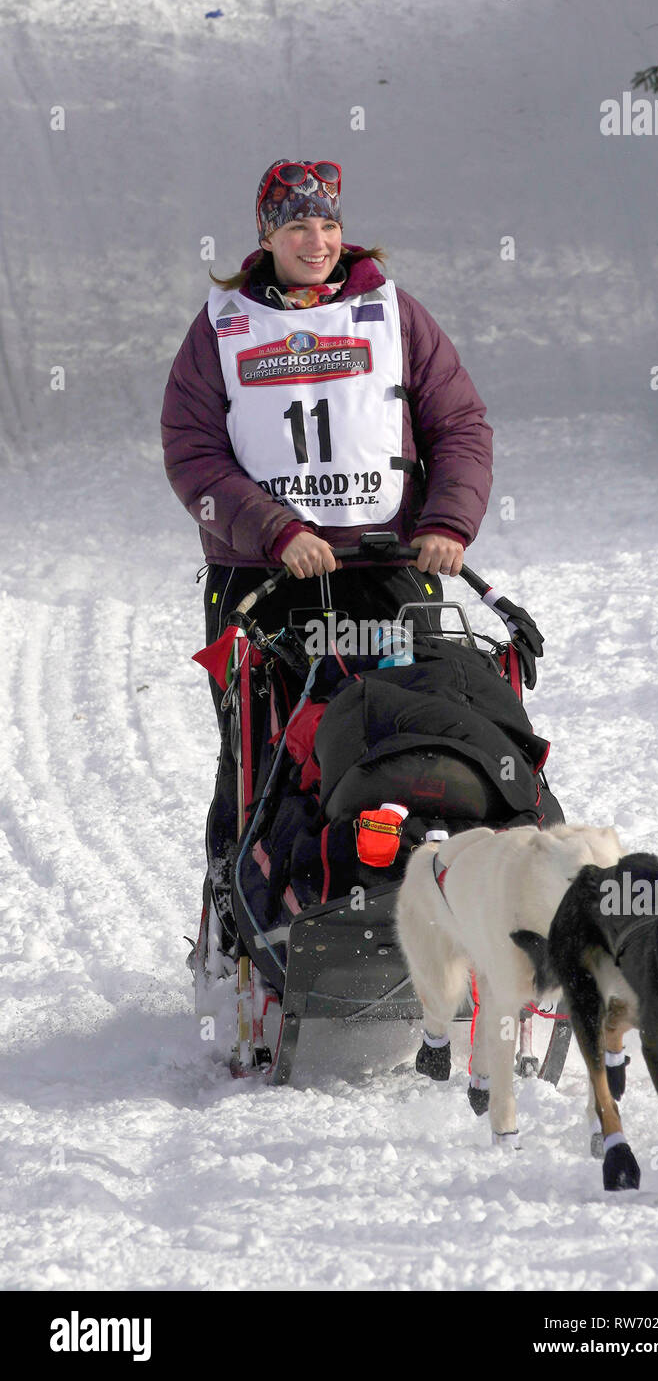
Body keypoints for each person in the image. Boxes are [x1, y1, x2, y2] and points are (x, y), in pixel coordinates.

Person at [161, 158, 494, 952]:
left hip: (385, 569)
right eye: (298, 225)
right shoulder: (222, 327)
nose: (318, 241)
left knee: (406, 729)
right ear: (265, 234)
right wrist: (276, 530)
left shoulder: (392, 313)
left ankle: (402, 896)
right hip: (260, 575)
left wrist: (448, 520)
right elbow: (194, 454)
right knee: (262, 751)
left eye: (329, 225)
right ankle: (243, 925)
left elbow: (462, 427)